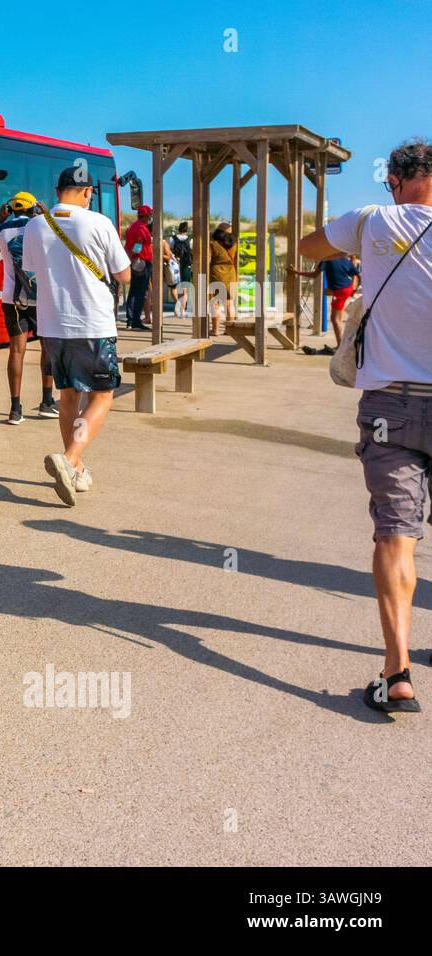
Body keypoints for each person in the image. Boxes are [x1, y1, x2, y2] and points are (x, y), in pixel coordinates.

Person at [299, 138, 432, 714]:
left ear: (397, 180)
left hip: (391, 404)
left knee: (395, 533)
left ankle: (397, 671)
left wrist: (363, 253)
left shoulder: (373, 220)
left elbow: (307, 248)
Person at [21, 166, 132, 506]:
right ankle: (69, 460)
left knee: (68, 397)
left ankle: (78, 469)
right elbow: (124, 274)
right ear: (87, 193)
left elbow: (30, 271)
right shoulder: (98, 222)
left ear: (57, 190)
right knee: (101, 395)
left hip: (53, 325)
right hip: (93, 324)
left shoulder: (34, 225)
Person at [0, 191, 57, 424]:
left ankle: (15, 409)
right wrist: (48, 216)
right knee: (47, 347)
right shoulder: (43, 227)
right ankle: (47, 402)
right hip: (42, 298)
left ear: (11, 209)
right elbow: (62, 241)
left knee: (16, 350)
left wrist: (0, 220)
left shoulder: (3, 231)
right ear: (33, 209)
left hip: (12, 299)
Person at [290, 252, 360, 353]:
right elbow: (357, 274)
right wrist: (354, 289)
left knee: (335, 319)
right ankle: (341, 345)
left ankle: (340, 346)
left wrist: (296, 272)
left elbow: (314, 275)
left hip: (340, 291)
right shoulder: (344, 259)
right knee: (338, 319)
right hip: (346, 288)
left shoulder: (326, 259)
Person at [123, 205, 162, 330]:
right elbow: (138, 244)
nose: (151, 216)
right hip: (142, 262)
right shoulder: (141, 227)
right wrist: (136, 255)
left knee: (134, 291)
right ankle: (135, 321)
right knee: (140, 292)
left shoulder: (133, 226)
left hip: (136, 261)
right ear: (145, 215)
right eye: (149, 214)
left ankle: (131, 320)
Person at [208, 222, 238, 336]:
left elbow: (209, 259)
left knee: (215, 303)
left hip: (217, 272)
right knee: (229, 302)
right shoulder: (234, 244)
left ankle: (215, 330)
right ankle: (230, 330)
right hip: (231, 272)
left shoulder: (213, 244)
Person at [170, 221, 193, 318]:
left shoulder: (172, 238)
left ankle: (177, 306)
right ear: (187, 230)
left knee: (174, 287)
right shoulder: (191, 240)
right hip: (186, 265)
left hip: (174, 265)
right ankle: (182, 311)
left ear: (179, 229)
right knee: (184, 289)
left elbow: (169, 250)